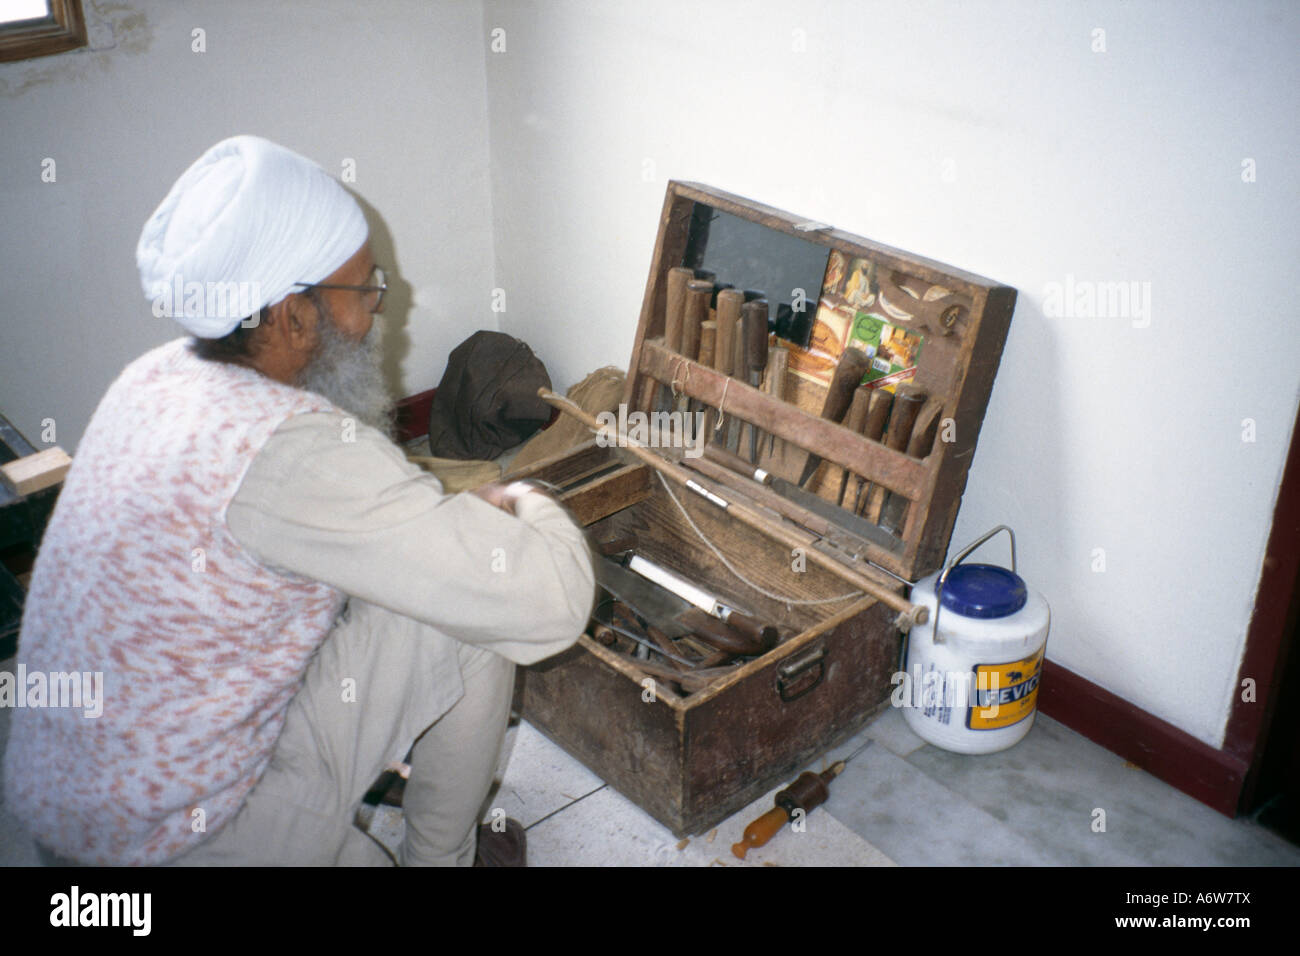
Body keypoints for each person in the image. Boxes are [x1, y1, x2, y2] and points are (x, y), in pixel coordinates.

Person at [1, 135, 594, 866]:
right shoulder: (292, 453)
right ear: (290, 316)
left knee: (429, 592)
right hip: (181, 842)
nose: (376, 312)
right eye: (363, 289)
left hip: (74, 812)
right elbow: (553, 602)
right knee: (475, 610)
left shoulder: (153, 377)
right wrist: (526, 499)